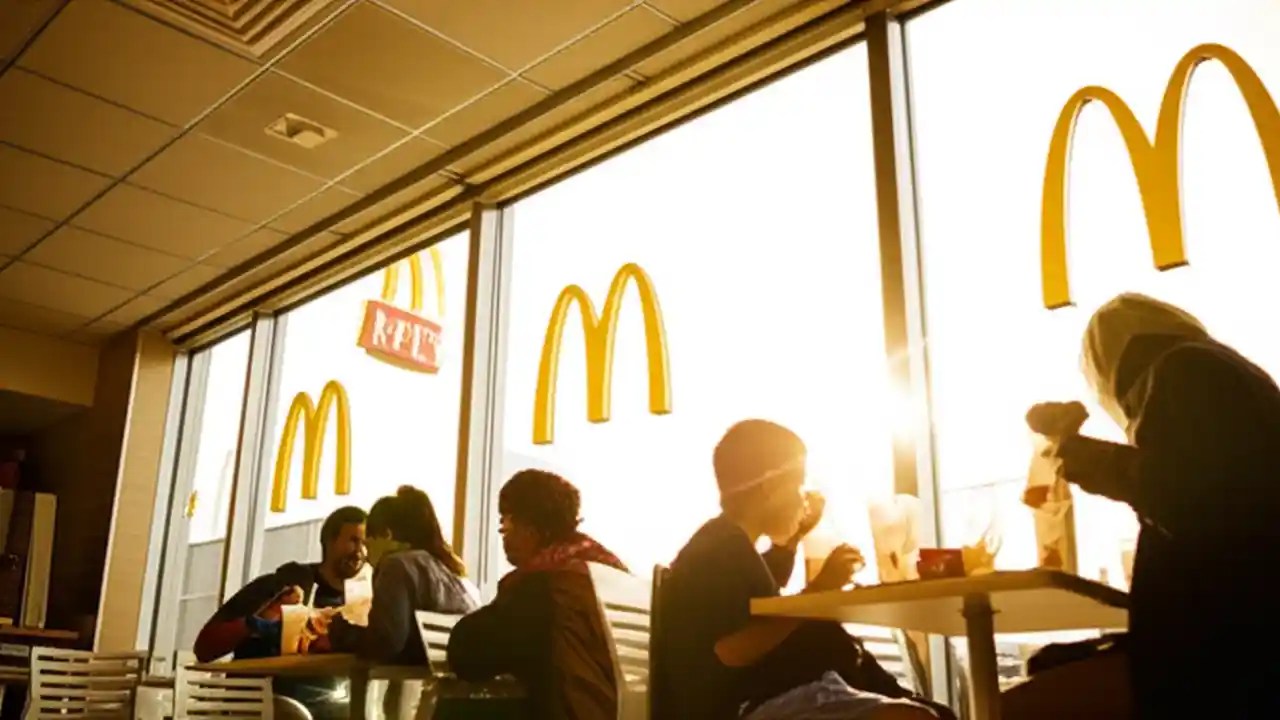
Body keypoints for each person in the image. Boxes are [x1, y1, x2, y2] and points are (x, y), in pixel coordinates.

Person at [1011, 294, 1280, 719]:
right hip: (1245, 631)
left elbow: (1187, 495)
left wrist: (1080, 456)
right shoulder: (1225, 374)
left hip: (1231, 652)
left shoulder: (1182, 369)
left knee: (1020, 703)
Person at [657, 419, 945, 720]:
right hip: (744, 709)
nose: (803, 496)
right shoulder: (719, 551)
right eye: (798, 483)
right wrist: (818, 591)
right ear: (770, 488)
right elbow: (730, 650)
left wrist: (793, 540)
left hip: (761, 700)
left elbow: (754, 600)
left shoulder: (724, 544)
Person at [447, 469, 627, 720]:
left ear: (529, 526)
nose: (503, 532)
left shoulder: (547, 583)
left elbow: (467, 653)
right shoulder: (609, 574)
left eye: (505, 520)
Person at [193, 506, 367, 720]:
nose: (360, 552)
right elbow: (204, 648)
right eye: (354, 541)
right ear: (329, 542)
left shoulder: (360, 604)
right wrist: (261, 620)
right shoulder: (281, 585)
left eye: (366, 544)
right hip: (262, 707)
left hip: (329, 708)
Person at [328, 485, 476, 662]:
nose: (366, 555)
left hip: (434, 685)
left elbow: (386, 643)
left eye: (368, 543)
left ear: (387, 535)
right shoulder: (443, 566)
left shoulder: (396, 565)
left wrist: (336, 630)